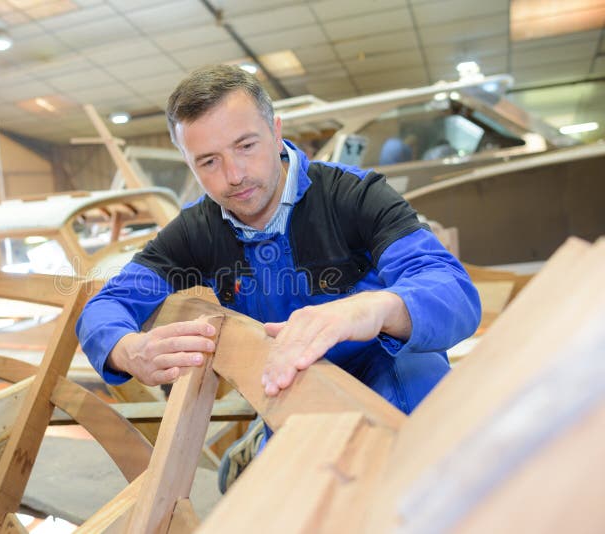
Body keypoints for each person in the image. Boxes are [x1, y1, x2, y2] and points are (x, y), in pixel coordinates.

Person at [76, 64, 481, 489]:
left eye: (246, 145)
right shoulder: (198, 230)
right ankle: (261, 446)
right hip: (290, 398)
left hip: (394, 380)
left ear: (275, 130)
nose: (234, 175)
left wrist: (374, 308)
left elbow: (452, 289)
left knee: (417, 464)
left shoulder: (354, 197)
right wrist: (128, 349)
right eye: (209, 161)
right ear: (189, 164)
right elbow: (107, 305)